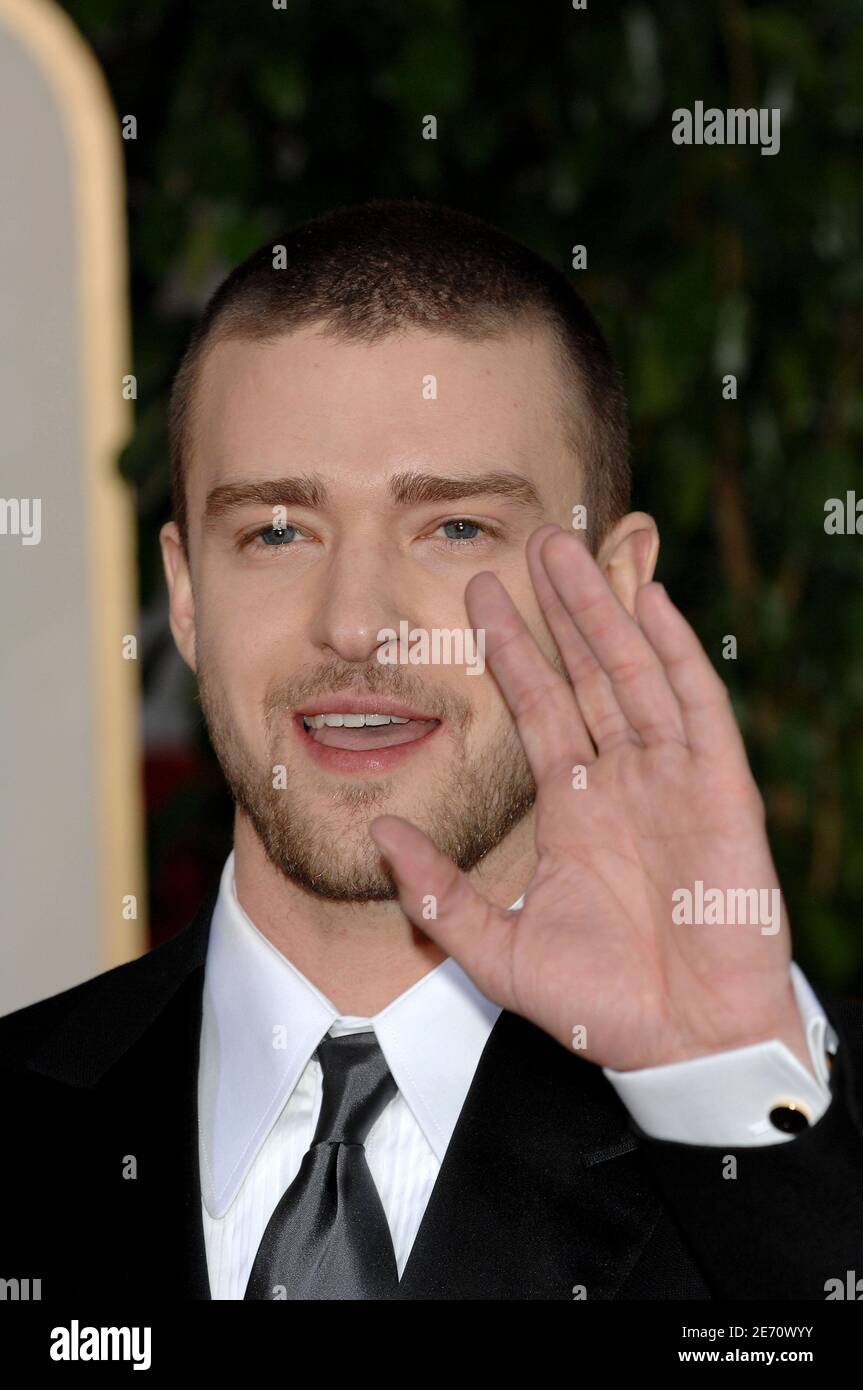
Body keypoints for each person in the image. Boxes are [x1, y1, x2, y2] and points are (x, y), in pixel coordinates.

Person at [2, 200, 861, 1302]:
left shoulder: (782, 1145)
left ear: (611, 586)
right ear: (186, 593)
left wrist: (724, 1097)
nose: (357, 620)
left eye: (455, 527)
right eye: (276, 530)